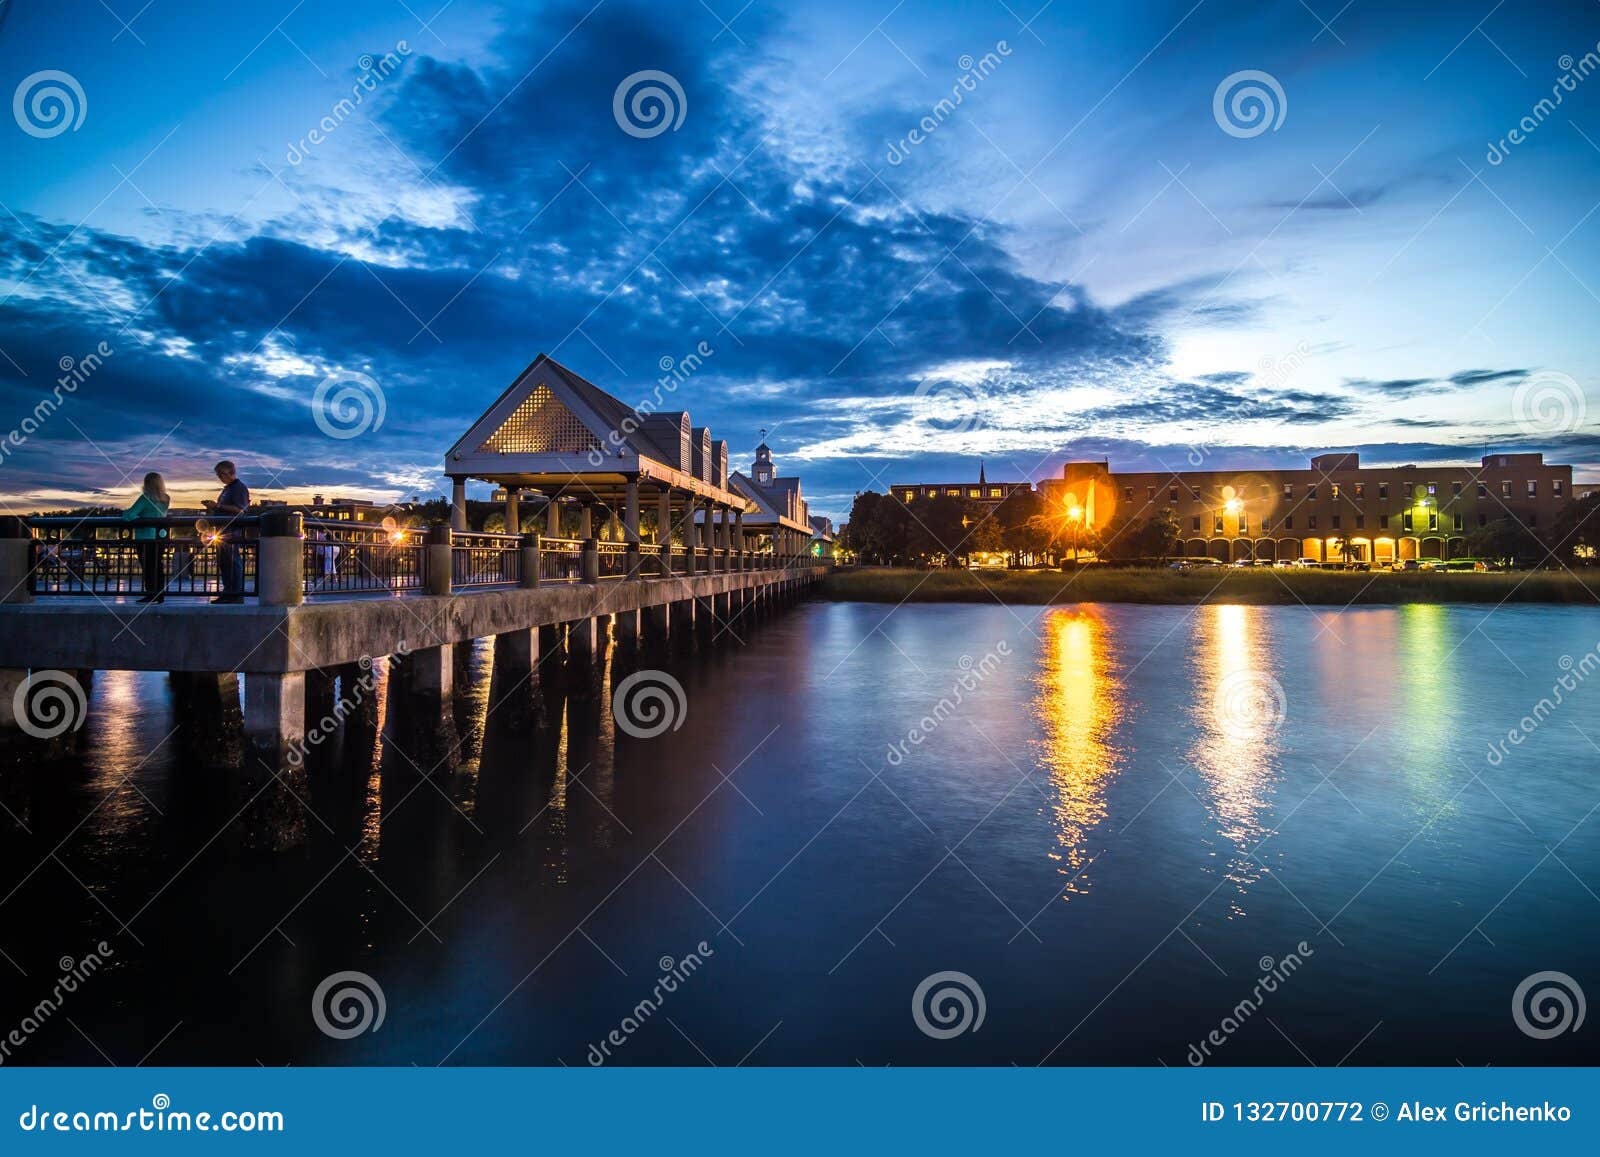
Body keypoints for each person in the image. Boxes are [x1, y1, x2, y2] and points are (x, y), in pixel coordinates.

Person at [202, 460, 250, 604]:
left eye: (221, 474)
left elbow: (240, 510)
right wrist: (214, 507)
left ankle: (236, 594)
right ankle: (228, 593)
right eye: (218, 474)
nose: (219, 477)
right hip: (223, 532)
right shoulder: (228, 489)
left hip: (232, 532)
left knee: (232, 562)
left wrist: (217, 506)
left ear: (230, 472)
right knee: (224, 563)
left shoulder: (239, 488)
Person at [122, 472, 170, 603]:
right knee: (158, 566)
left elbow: (129, 515)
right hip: (160, 536)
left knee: (148, 566)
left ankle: (150, 594)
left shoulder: (145, 498)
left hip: (145, 537)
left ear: (146, 484)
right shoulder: (166, 498)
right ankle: (159, 594)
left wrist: (125, 513)